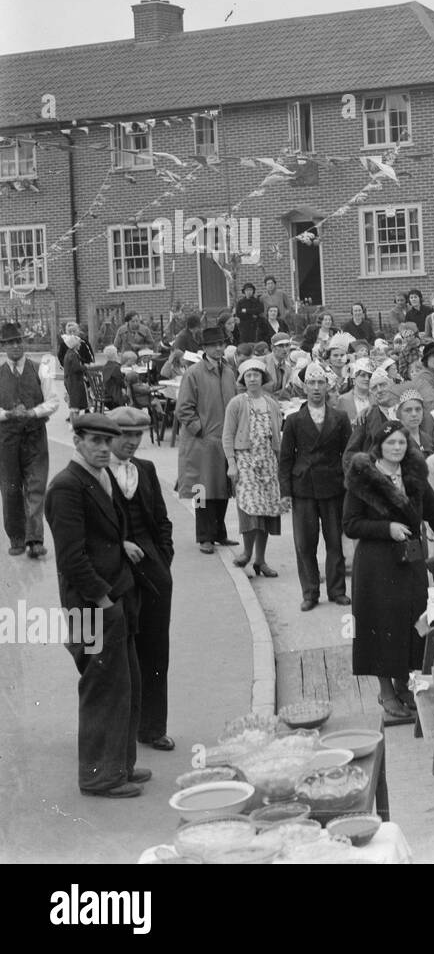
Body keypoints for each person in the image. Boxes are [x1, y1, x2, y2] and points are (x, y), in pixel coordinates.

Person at [46, 413, 146, 797]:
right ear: (77, 441)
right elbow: (71, 559)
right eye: (95, 442)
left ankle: (120, 766)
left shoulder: (99, 477)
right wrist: (104, 600)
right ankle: (98, 776)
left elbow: (103, 534)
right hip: (91, 605)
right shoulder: (67, 486)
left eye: (108, 442)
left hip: (111, 598)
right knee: (102, 691)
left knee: (126, 686)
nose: (104, 449)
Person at [345, 419, 434, 720]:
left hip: (410, 560)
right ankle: (386, 693)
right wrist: (386, 528)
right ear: (379, 447)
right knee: (381, 626)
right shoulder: (363, 479)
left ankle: (403, 683)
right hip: (376, 565)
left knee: (412, 622)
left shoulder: (414, 475)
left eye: (401, 442)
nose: (396, 447)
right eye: (391, 442)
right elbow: (350, 524)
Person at [104, 405, 175, 753]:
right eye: (125, 435)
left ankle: (152, 727)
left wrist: (165, 561)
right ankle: (120, 729)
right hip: (117, 575)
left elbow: (162, 521)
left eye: (137, 435)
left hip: (154, 573)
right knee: (118, 654)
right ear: (110, 436)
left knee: (155, 651)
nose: (132, 442)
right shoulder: (97, 473)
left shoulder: (145, 470)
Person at [279, 361, 352, 612]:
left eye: (321, 383)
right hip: (304, 488)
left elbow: (348, 453)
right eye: (312, 383)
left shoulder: (340, 418)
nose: (317, 388)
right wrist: (285, 491)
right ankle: (310, 592)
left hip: (333, 487)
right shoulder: (294, 420)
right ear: (304, 387)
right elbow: (286, 457)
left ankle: (337, 590)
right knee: (305, 543)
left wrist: (348, 483)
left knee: (334, 541)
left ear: (328, 386)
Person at [176, 326, 239, 554]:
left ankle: (219, 533)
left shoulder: (229, 371)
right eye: (214, 345)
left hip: (223, 441)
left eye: (222, 344)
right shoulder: (194, 373)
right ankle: (204, 535)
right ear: (204, 348)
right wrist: (199, 430)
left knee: (222, 489)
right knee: (201, 490)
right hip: (202, 443)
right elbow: (183, 409)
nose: (219, 348)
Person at [223, 358, 285, 577]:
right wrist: (232, 463)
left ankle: (260, 560)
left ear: (262, 378)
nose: (252, 379)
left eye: (256, 375)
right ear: (243, 379)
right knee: (250, 508)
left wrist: (279, 464)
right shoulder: (237, 403)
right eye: (248, 375)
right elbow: (228, 435)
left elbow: (277, 435)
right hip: (246, 461)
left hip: (268, 462)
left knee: (266, 511)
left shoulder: (272, 404)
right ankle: (247, 552)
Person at [62, 331, 88, 415]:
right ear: (75, 345)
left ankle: (74, 420)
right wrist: (86, 367)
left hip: (71, 380)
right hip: (74, 381)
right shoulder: (73, 355)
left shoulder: (70, 353)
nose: (80, 345)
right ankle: (75, 422)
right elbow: (76, 368)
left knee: (75, 403)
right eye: (79, 344)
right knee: (75, 403)